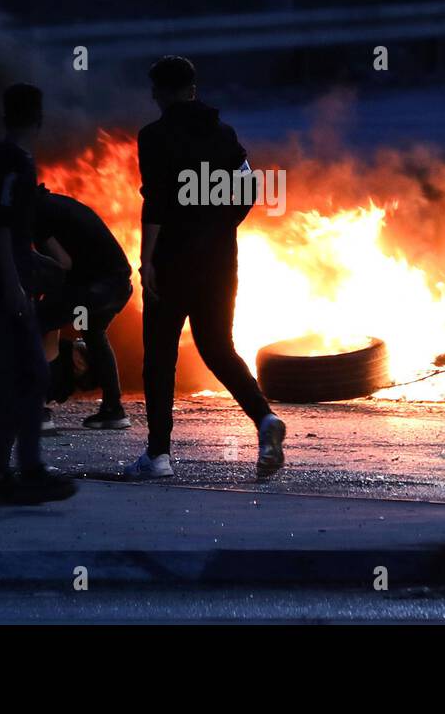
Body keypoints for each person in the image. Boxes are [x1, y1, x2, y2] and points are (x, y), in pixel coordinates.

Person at [131, 55, 285, 479]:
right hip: (220, 259)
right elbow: (250, 185)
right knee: (218, 347)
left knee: (159, 357)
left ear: (160, 93)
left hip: (173, 261)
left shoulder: (153, 136)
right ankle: (265, 418)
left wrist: (146, 260)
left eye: (155, 90)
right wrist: (223, 225)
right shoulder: (224, 133)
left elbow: (156, 202)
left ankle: (158, 456)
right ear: (193, 90)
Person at [0, 83, 76, 505]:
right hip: (4, 287)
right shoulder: (15, 161)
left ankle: (7, 476)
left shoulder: (0, 158)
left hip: (5, 278)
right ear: (39, 119)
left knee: (21, 377)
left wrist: (35, 264)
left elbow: (6, 233)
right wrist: (13, 282)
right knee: (29, 375)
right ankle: (20, 473)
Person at [34, 185, 134, 429]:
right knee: (92, 333)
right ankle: (113, 409)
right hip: (117, 286)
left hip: (95, 289)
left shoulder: (35, 213)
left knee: (39, 322)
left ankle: (36, 409)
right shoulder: (53, 204)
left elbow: (62, 263)